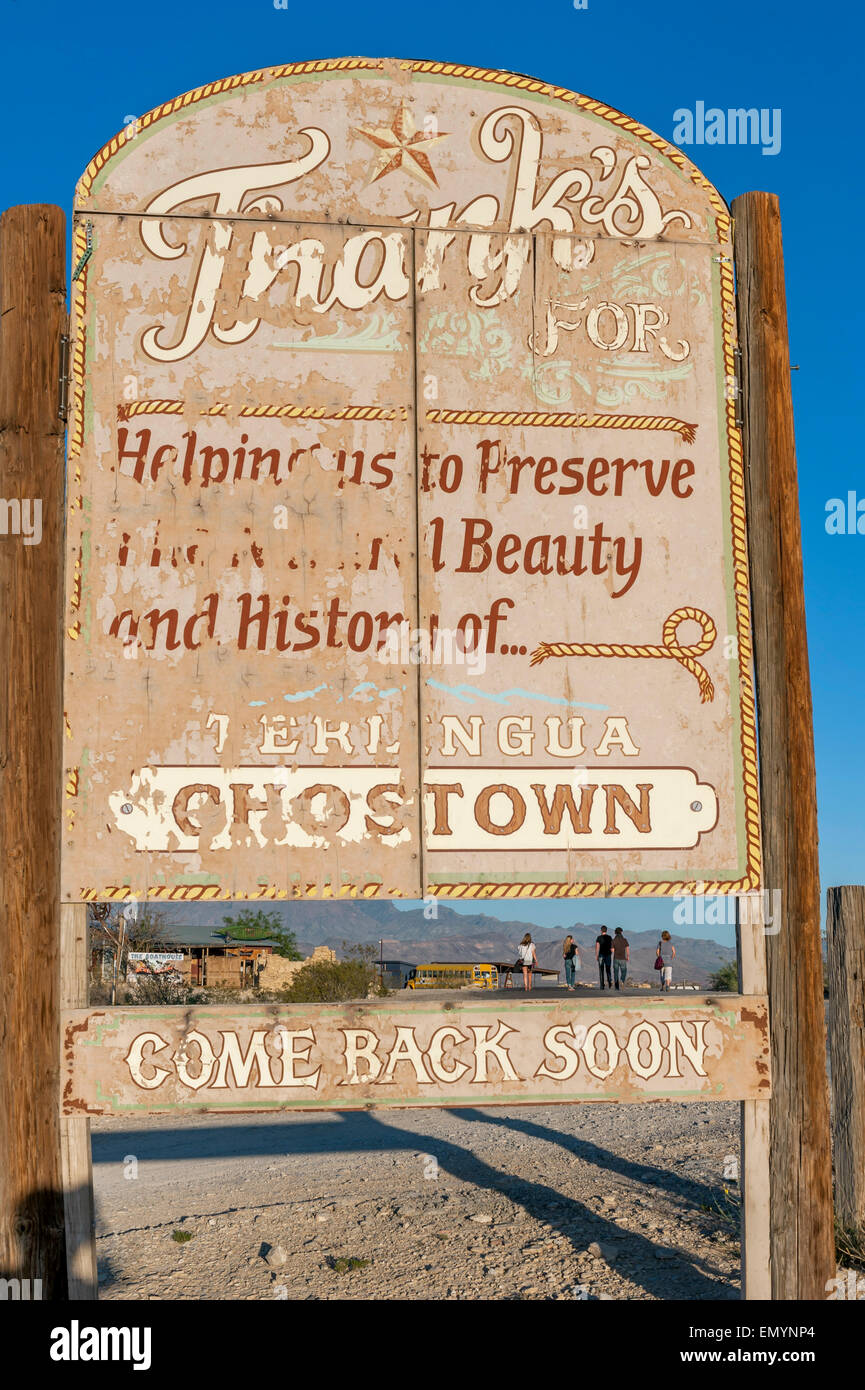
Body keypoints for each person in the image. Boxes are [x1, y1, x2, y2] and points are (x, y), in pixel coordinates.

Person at [595, 925, 613, 989]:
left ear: (601, 930)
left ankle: (602, 985)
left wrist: (596, 955)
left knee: (601, 970)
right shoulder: (610, 937)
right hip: (608, 955)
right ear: (606, 930)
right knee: (608, 969)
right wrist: (611, 952)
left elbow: (597, 947)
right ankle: (610, 982)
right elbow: (612, 947)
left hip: (601, 955)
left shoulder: (599, 937)